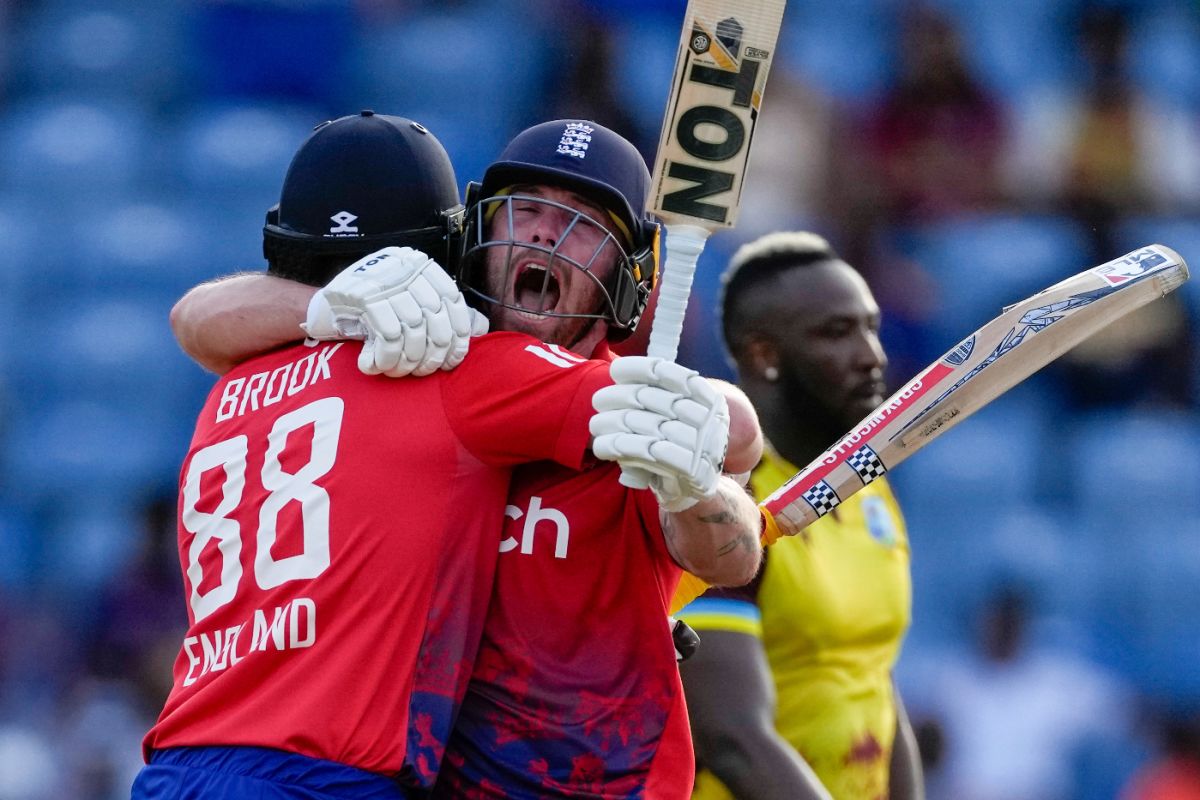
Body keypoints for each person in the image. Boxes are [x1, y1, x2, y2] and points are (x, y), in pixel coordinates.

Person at [135, 113, 756, 799]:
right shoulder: (451, 369)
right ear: (466, 241)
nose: (547, 234)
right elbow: (724, 420)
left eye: (582, 221)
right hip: (341, 774)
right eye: (527, 212)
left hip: (182, 765)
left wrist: (697, 479)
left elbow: (193, 318)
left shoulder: (232, 384)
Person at [675, 232, 924, 800]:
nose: (872, 356)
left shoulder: (870, 487)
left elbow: (873, 682)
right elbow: (731, 738)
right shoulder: (716, 503)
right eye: (837, 333)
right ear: (764, 355)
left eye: (871, 327)